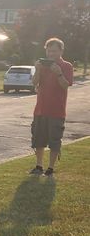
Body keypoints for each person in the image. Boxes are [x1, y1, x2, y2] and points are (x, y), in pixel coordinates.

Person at [29, 37, 74, 177]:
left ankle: (50, 168)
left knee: (54, 140)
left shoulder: (67, 66)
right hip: (40, 109)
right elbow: (34, 83)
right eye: (49, 51)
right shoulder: (43, 65)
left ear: (61, 51)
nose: (51, 54)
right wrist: (37, 70)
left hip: (56, 111)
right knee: (38, 139)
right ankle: (39, 165)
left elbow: (66, 85)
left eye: (54, 51)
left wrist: (58, 72)